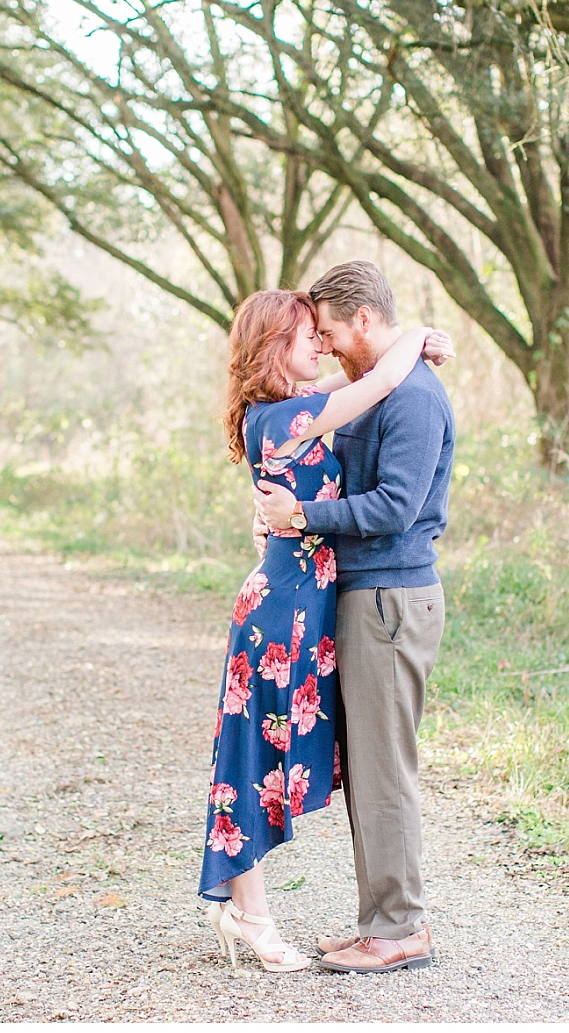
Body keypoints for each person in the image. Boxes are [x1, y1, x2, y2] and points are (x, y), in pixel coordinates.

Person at [202, 287, 452, 973]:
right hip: (281, 612)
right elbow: (374, 382)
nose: (320, 343)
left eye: (324, 330)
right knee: (249, 760)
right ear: (271, 346)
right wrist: (417, 337)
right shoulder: (289, 415)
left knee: (353, 764)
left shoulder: (302, 414)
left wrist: (294, 514)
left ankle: (382, 925)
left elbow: (374, 393)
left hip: (321, 602)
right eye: (306, 334)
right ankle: (253, 913)